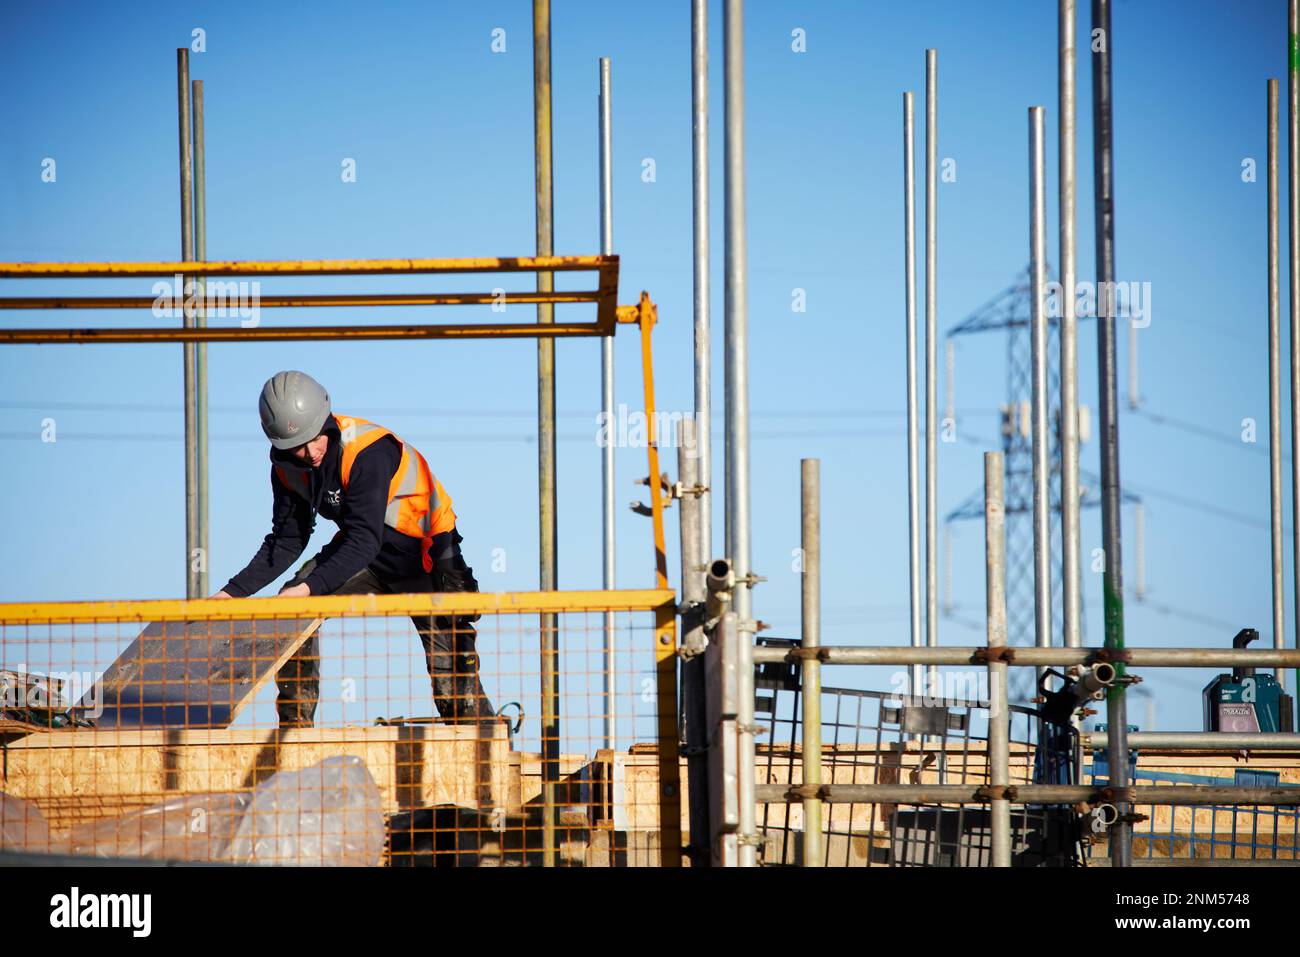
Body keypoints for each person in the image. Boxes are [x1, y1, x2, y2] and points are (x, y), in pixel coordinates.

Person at [213, 370, 494, 728]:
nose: (310, 452)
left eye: (315, 439)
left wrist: (308, 588)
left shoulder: (368, 450)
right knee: (292, 607)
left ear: (326, 420)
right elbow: (287, 540)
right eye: (296, 446)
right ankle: (295, 730)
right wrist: (232, 593)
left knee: (452, 675)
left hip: (426, 556)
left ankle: (485, 752)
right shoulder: (287, 470)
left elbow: (363, 537)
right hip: (367, 556)